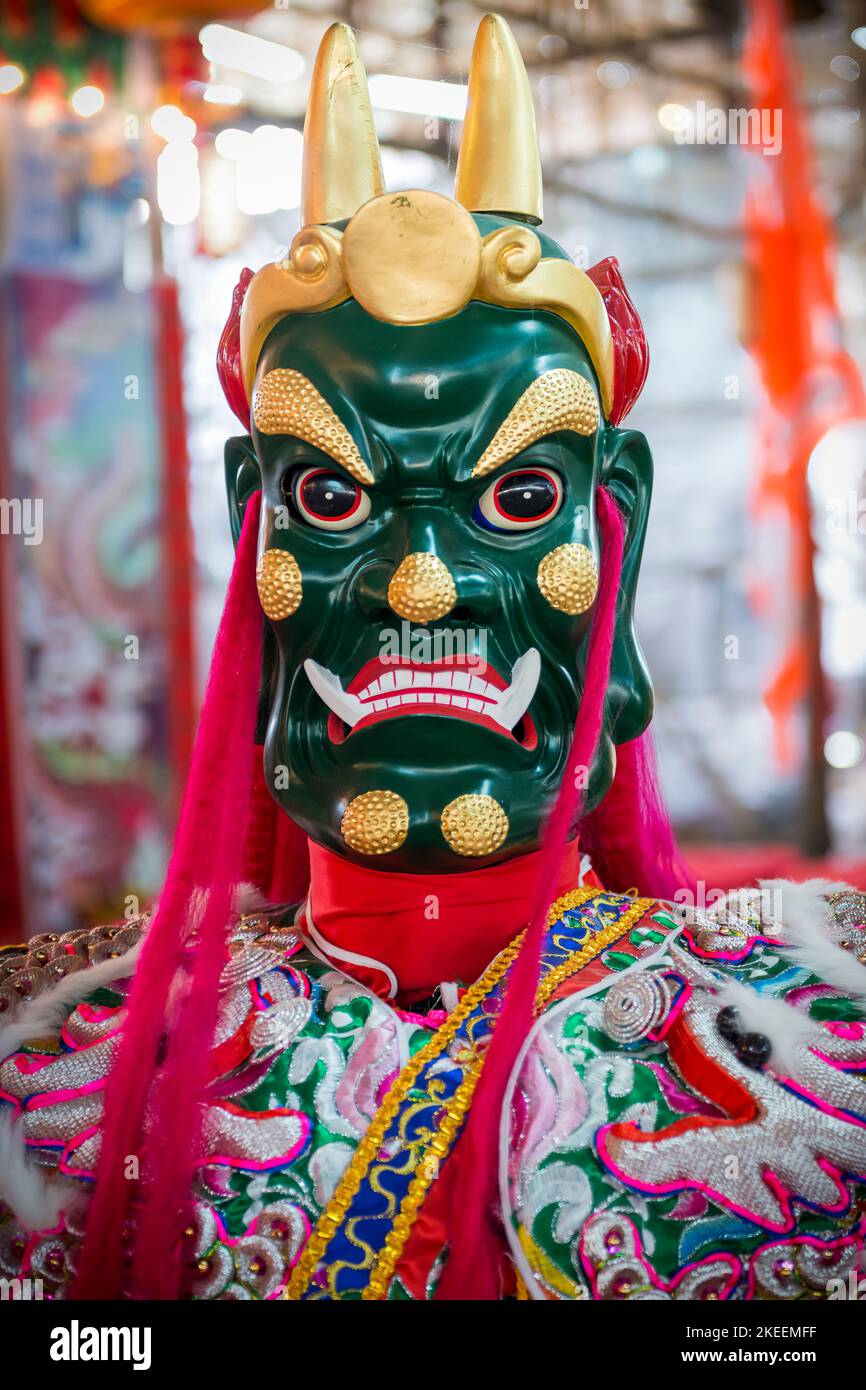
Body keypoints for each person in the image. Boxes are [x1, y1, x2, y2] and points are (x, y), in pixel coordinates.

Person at [1, 15, 864, 1303]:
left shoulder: (826, 1049)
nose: (422, 583)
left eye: (516, 500)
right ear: (254, 529)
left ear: (613, 525)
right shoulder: (47, 1074)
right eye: (335, 503)